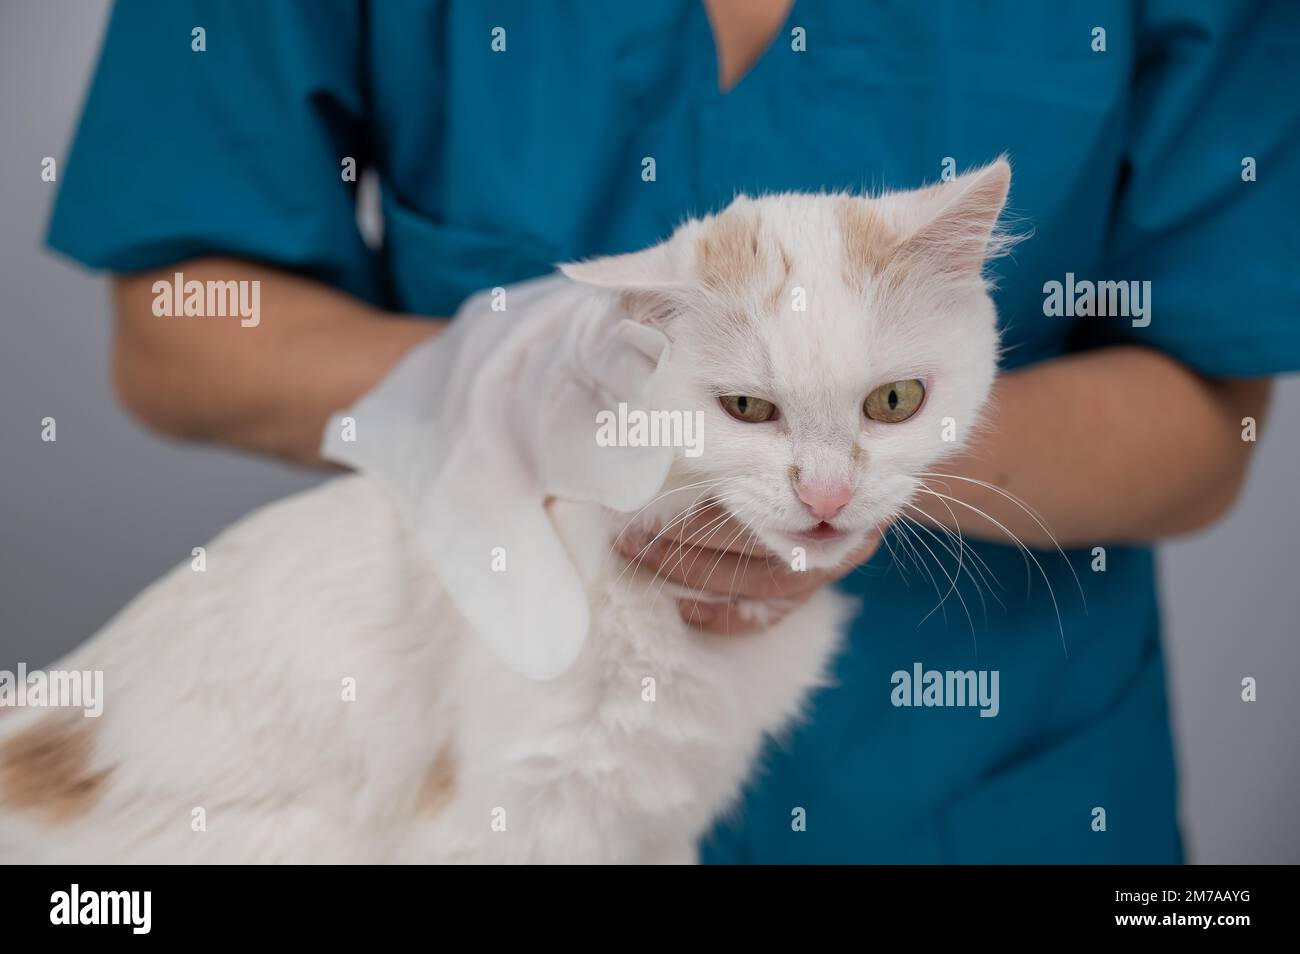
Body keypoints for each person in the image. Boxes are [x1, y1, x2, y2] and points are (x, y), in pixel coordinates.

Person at [48, 0, 1298, 863]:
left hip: (991, 792)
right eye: (749, 408)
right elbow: (179, 329)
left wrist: (870, 476)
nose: (813, 484)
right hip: (458, 750)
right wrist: (515, 389)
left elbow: (1210, 409)